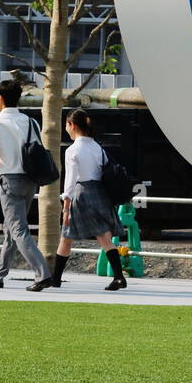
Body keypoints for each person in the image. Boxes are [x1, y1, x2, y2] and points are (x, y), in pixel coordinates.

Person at [0, 79, 52, 290]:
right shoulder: (31, 122)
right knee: (12, 229)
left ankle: (42, 274)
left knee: (18, 230)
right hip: (30, 180)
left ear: (0, 98)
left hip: (10, 180)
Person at [48, 108, 128, 292]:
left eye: (67, 125)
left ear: (72, 125)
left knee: (67, 237)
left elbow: (70, 180)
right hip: (100, 192)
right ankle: (118, 277)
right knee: (103, 236)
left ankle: (56, 279)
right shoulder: (96, 147)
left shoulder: (72, 150)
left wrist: (65, 206)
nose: (66, 129)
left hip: (81, 193)